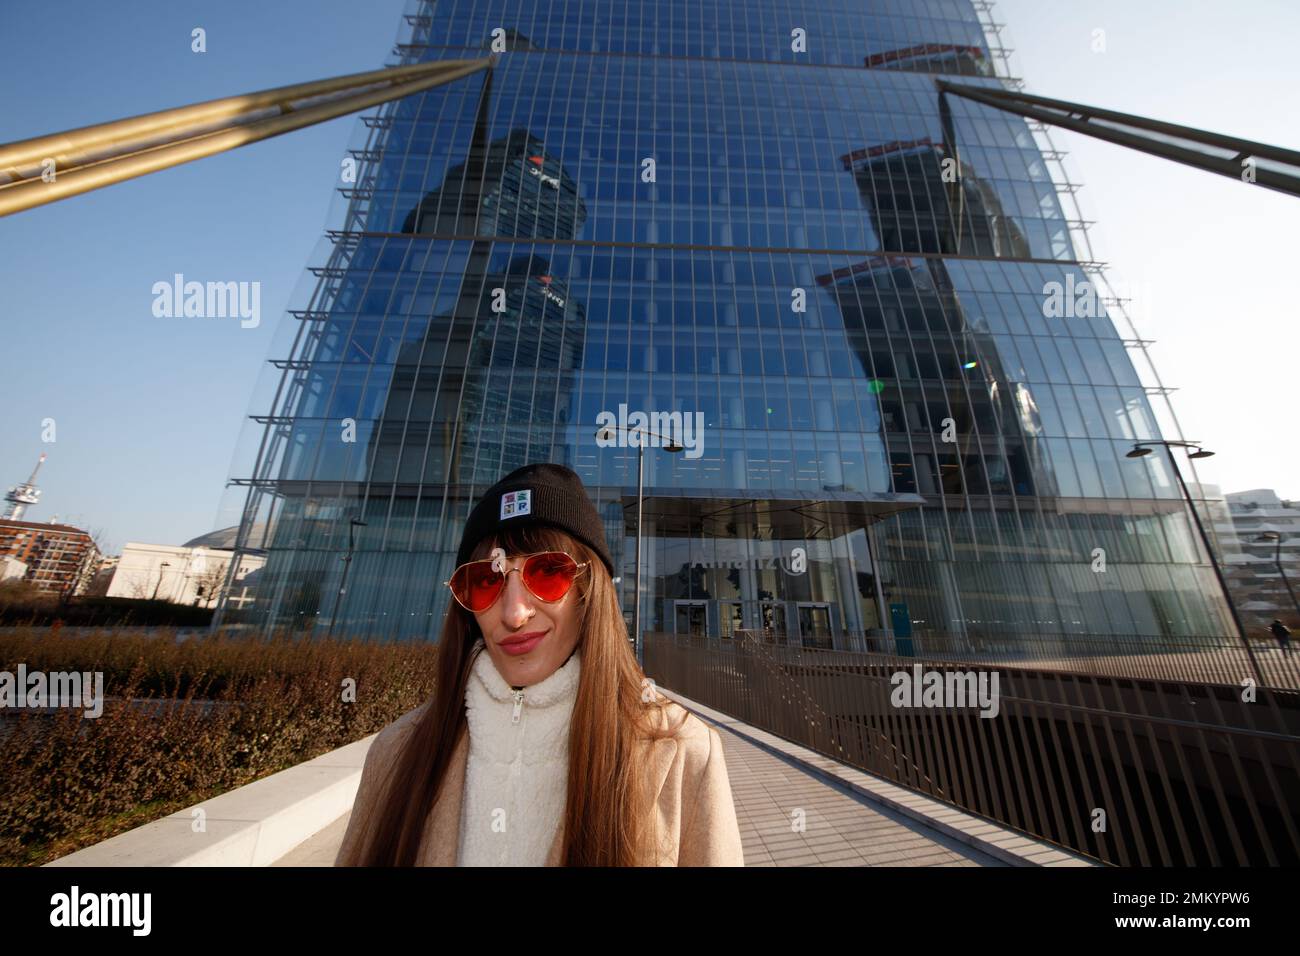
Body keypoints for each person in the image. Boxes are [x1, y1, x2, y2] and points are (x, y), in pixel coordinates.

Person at [335, 462, 744, 866]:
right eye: (486, 580)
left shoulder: (683, 752)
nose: (514, 614)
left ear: (590, 593)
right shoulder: (396, 753)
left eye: (548, 573)